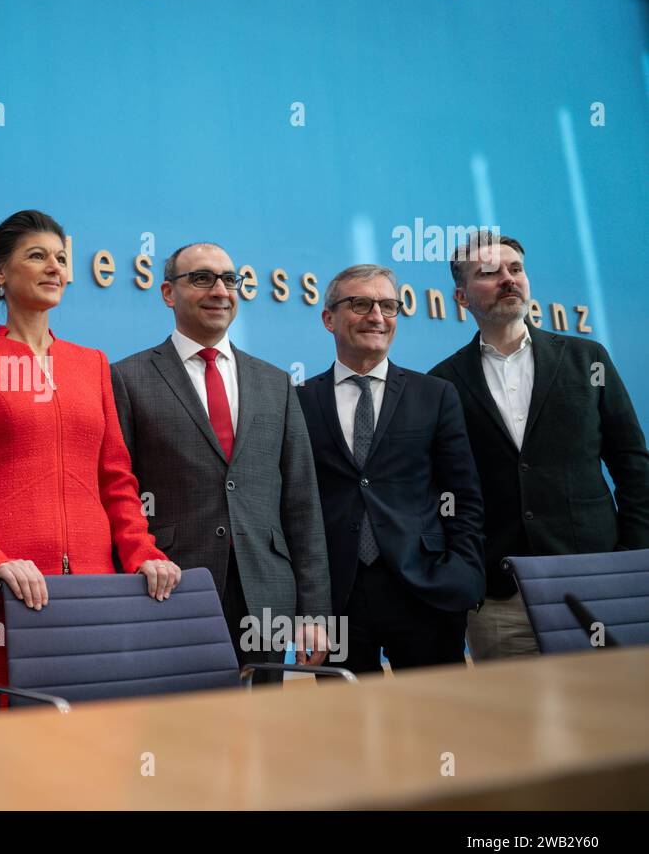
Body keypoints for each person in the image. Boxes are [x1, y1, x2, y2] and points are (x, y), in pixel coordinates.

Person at [0, 209, 179, 712]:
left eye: (61, 259)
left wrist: (141, 552)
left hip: (93, 596)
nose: (55, 268)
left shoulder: (92, 364)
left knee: (90, 757)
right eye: (37, 256)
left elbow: (118, 481)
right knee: (2, 764)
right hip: (0, 599)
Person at [112, 242, 331, 681]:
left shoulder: (275, 382)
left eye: (230, 279)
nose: (220, 290)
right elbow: (117, 492)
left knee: (263, 730)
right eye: (202, 278)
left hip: (267, 591)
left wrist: (315, 614)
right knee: (182, 730)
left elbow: (302, 503)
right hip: (170, 585)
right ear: (168, 293)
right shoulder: (126, 377)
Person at [430, 231, 649, 660]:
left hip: (598, 588)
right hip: (498, 601)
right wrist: (464, 572)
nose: (508, 279)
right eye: (488, 273)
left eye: (516, 269)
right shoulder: (442, 384)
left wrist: (632, 561)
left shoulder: (590, 361)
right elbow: (440, 493)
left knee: (610, 720)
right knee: (514, 724)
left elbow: (632, 465)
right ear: (461, 296)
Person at [297, 264, 484, 673]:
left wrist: (461, 575)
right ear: (329, 318)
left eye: (388, 305)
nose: (376, 316)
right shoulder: (298, 400)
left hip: (426, 591)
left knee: (436, 724)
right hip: (337, 599)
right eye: (360, 304)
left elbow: (464, 495)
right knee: (346, 728)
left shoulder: (435, 395)